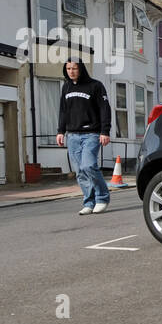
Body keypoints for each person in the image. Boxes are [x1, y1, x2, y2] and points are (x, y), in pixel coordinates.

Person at [55, 59, 111, 214]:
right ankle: (89, 202)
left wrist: (105, 131)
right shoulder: (66, 87)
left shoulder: (95, 86)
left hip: (92, 134)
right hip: (72, 136)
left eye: (74, 68)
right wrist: (61, 131)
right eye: (68, 68)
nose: (71, 71)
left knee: (89, 165)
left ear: (81, 69)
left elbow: (104, 109)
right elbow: (63, 111)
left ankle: (102, 198)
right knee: (80, 171)